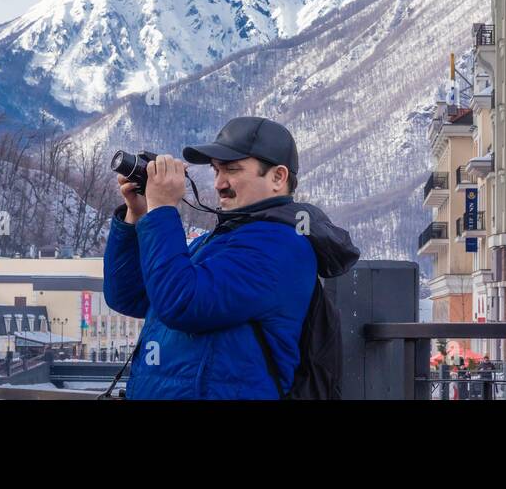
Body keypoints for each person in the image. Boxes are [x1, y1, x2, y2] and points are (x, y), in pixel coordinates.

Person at [104, 116, 358, 399]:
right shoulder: (217, 242)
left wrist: (163, 210)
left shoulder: (280, 246)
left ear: (278, 177)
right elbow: (129, 296)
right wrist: (136, 217)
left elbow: (181, 303)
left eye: (232, 170)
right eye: (215, 171)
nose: (219, 184)